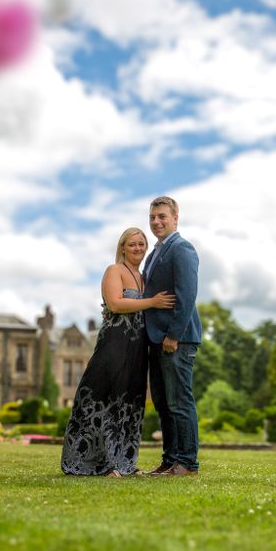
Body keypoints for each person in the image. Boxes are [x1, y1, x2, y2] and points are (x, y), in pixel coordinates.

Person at [61, 228, 175, 477]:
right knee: (104, 399)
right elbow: (115, 303)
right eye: (132, 244)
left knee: (130, 403)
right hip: (114, 343)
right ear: (122, 247)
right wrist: (152, 302)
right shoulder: (114, 271)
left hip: (137, 348)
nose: (137, 248)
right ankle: (97, 464)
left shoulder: (143, 277)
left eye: (141, 244)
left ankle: (124, 463)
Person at [142, 195, 203, 476]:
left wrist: (173, 335)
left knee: (179, 401)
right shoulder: (155, 253)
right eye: (153, 217)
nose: (156, 222)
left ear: (175, 218)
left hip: (176, 338)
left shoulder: (182, 249)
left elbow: (187, 295)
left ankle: (187, 462)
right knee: (164, 404)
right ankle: (170, 460)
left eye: (162, 217)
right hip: (157, 338)